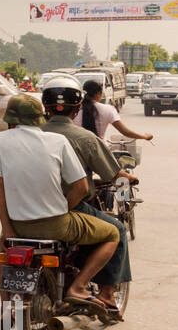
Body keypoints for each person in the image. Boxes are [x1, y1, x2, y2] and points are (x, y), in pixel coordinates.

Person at [0, 94, 119, 330]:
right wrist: (63, 209)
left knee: (4, 253)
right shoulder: (57, 142)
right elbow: (81, 187)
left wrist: (7, 228)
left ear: (10, 119)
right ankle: (78, 287)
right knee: (112, 234)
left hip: (17, 225)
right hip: (57, 224)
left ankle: (5, 312)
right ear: (40, 117)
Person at [40, 77, 133, 314]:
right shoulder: (86, 137)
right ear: (78, 107)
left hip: (29, 208)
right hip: (68, 207)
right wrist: (128, 178)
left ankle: (5, 308)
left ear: (45, 106)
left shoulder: (31, 136)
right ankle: (106, 294)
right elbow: (112, 175)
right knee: (117, 230)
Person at [77, 79, 152, 144]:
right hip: (99, 152)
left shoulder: (75, 108)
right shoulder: (108, 109)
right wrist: (144, 136)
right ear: (98, 94)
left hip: (75, 152)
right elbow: (125, 132)